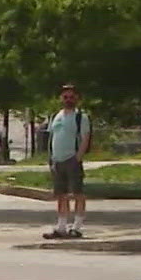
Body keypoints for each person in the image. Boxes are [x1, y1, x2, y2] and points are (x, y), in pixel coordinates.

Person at [44, 83, 92, 239]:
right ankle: (61, 227)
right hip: (57, 160)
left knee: (78, 193)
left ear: (77, 98)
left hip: (72, 159)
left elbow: (85, 138)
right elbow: (51, 137)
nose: (68, 99)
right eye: (65, 97)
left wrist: (78, 157)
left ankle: (77, 227)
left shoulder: (81, 117)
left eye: (71, 97)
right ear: (61, 98)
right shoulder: (55, 116)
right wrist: (51, 158)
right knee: (61, 195)